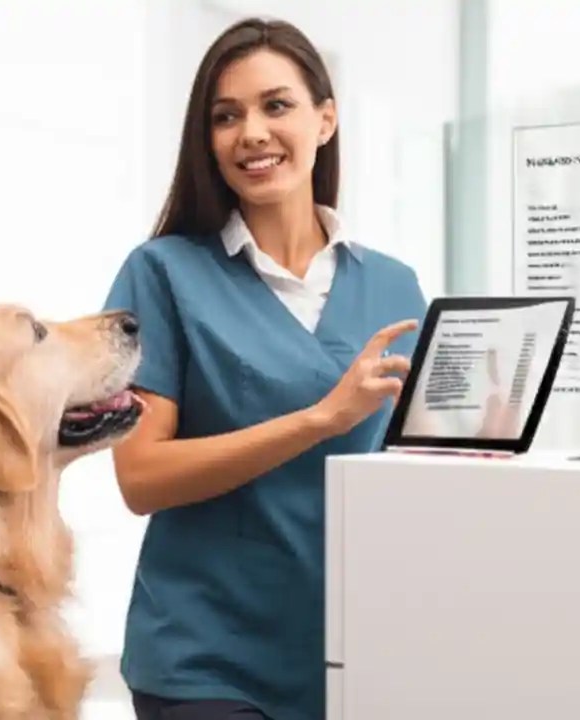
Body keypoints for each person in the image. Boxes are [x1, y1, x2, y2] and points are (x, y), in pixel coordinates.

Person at [102, 17, 428, 720]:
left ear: (326, 119)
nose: (251, 131)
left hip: (350, 647)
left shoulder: (397, 288)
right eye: (226, 116)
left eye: (275, 105)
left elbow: (412, 471)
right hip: (205, 659)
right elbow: (141, 478)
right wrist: (319, 420)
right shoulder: (162, 274)